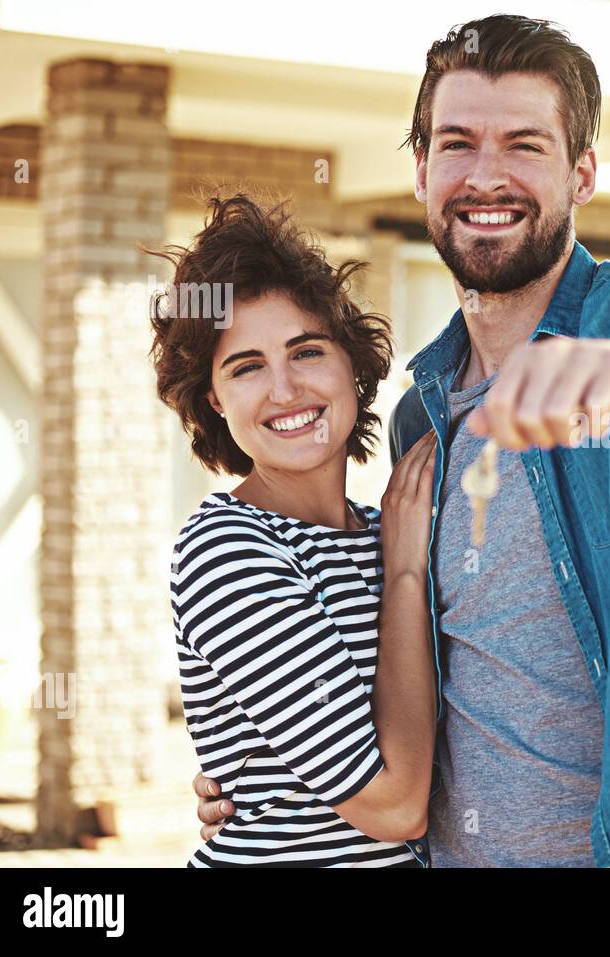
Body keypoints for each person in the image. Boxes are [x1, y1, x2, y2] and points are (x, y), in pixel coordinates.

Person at [196, 14, 610, 867]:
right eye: (457, 143)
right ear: (421, 171)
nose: (485, 175)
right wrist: (265, 777)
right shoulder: (424, 423)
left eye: (524, 144)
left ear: (583, 173)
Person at [151, 194, 439, 866]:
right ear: (215, 400)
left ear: (352, 365)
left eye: (306, 351)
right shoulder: (227, 551)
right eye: (246, 366)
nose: (284, 389)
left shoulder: (389, 528)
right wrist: (403, 573)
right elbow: (395, 806)